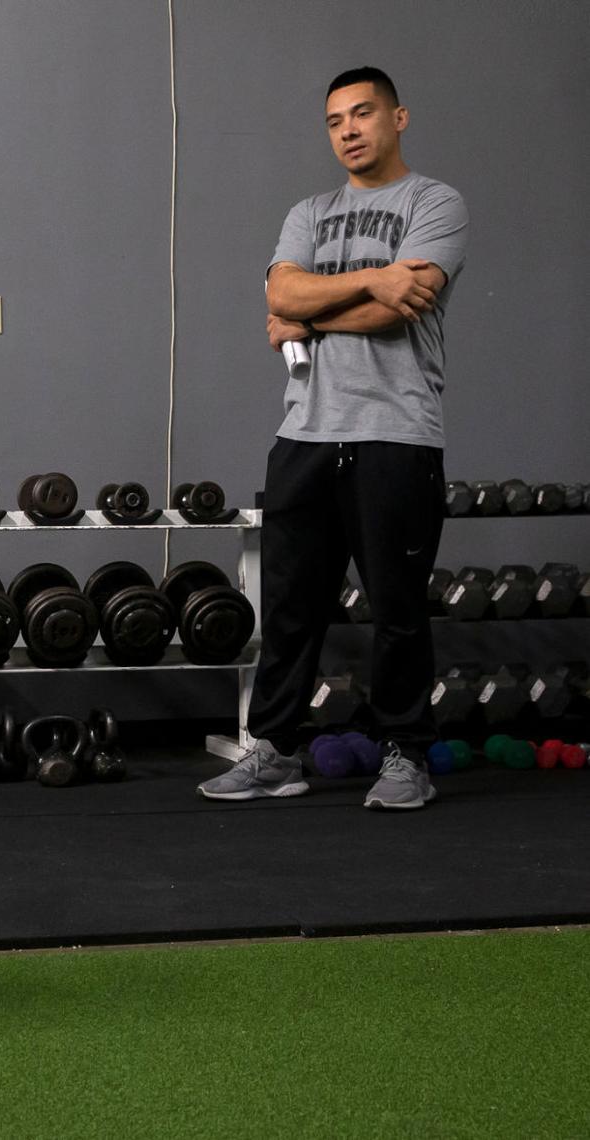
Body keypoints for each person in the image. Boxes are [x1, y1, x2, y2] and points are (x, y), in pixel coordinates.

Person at [198, 67, 468, 811]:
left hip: (397, 431)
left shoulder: (433, 202)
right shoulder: (308, 212)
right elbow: (279, 292)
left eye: (363, 114)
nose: (348, 130)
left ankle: (406, 756)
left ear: (398, 117)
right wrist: (372, 280)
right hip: (305, 433)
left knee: (399, 608)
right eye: (335, 121)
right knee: (289, 606)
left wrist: (316, 315)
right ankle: (277, 752)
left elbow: (398, 309)